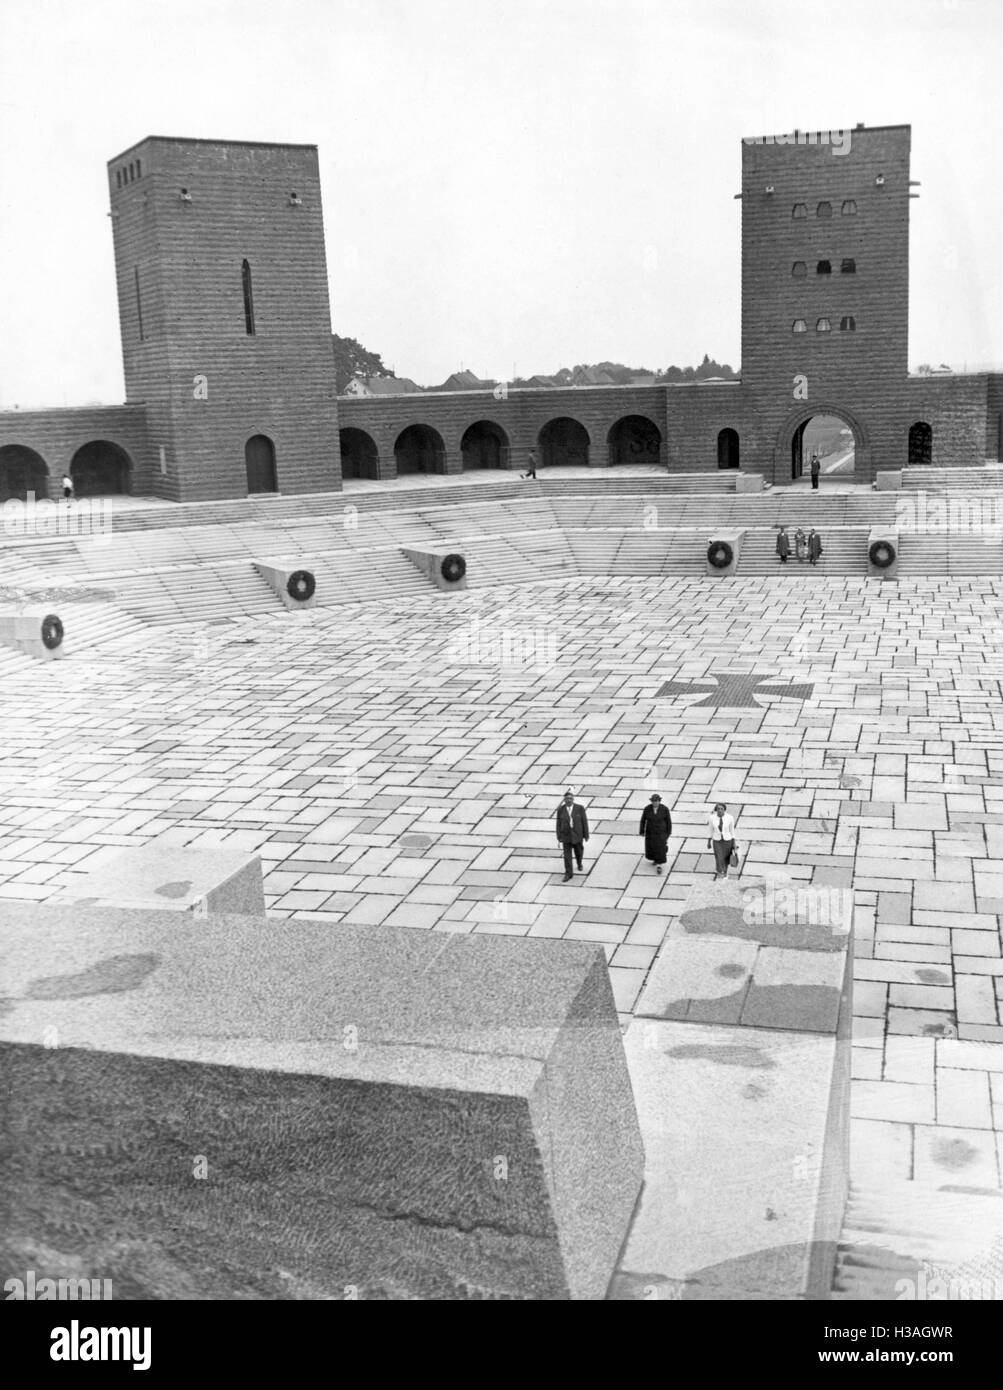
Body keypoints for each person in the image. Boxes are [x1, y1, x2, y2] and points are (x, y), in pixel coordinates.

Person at [555, 790, 589, 881]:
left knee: (579, 852)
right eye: (567, 799)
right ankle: (568, 873)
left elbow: (584, 822)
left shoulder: (580, 808)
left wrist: (586, 835)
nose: (569, 800)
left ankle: (579, 863)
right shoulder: (561, 810)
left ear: (573, 799)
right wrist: (559, 836)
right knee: (567, 856)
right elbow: (558, 823)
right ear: (564, 800)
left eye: (570, 798)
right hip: (566, 836)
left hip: (577, 835)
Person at [639, 793, 672, 874]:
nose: (655, 803)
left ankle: (659, 865)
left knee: (660, 848)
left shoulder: (664, 809)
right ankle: (655, 859)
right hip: (650, 833)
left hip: (661, 833)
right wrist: (642, 831)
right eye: (653, 801)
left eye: (656, 801)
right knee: (651, 847)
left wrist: (668, 832)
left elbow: (668, 822)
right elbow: (643, 820)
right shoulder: (647, 809)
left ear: (659, 801)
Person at [707, 802, 738, 881]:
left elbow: (732, 831)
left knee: (725, 858)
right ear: (716, 810)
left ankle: (725, 872)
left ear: (724, 810)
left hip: (727, 841)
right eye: (718, 809)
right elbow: (710, 830)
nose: (720, 810)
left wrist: (734, 843)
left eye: (722, 809)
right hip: (717, 840)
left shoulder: (730, 817)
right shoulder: (712, 818)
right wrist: (709, 841)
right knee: (718, 857)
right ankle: (720, 870)